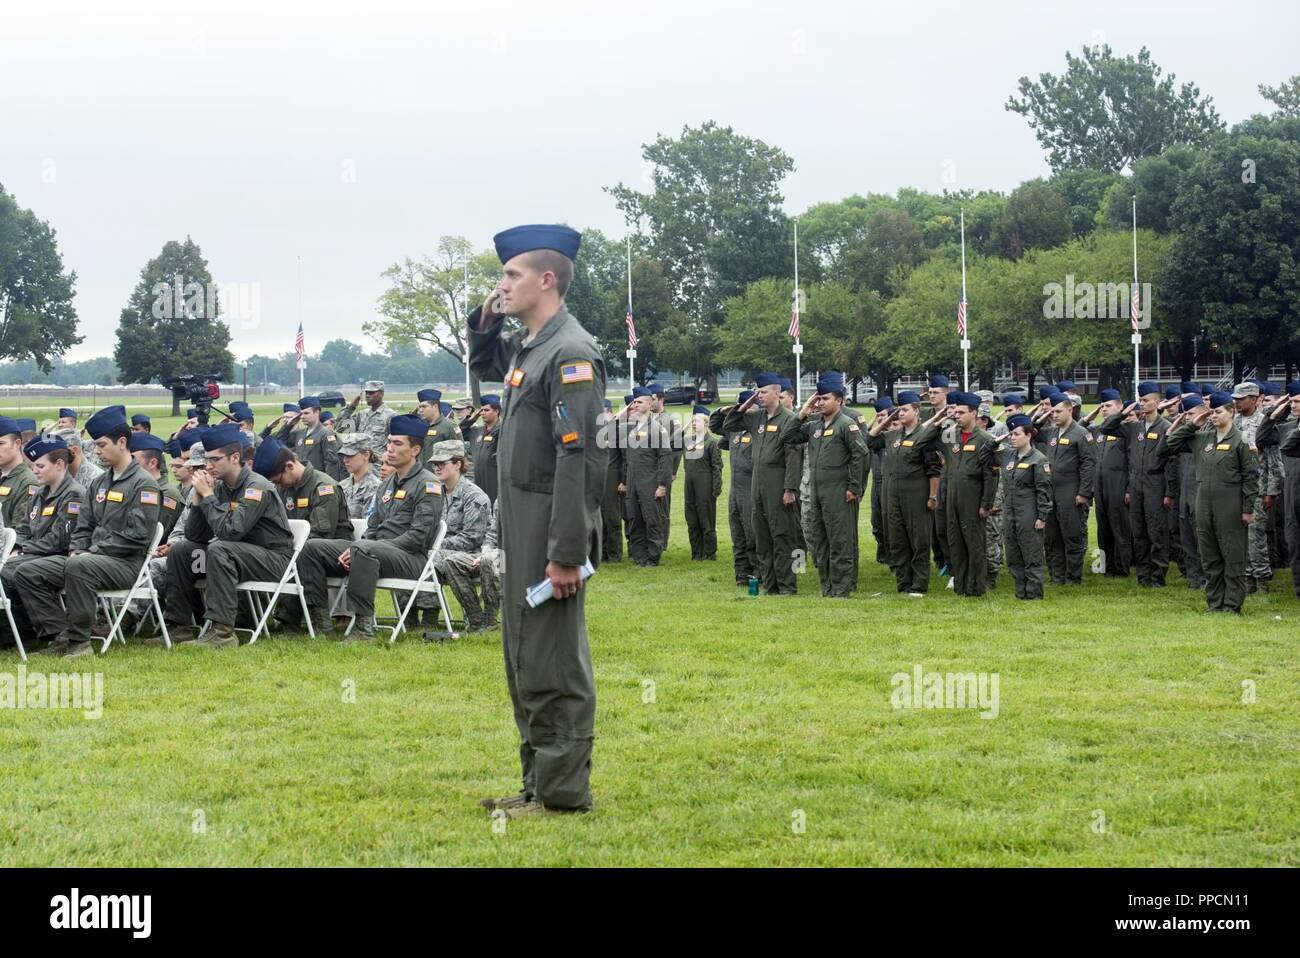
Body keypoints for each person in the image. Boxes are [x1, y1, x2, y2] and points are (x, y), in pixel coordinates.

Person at [468, 223, 604, 820]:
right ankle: (538, 784)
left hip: (550, 520)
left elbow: (580, 457)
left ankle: (564, 795)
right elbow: (485, 358)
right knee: (523, 650)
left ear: (546, 280)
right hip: (522, 516)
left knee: (552, 657)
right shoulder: (534, 345)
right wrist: (486, 317)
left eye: (511, 275)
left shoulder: (571, 352)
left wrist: (567, 551)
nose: (501, 285)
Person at [14, 406, 161, 657]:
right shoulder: (99, 483)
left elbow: (137, 536)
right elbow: (84, 526)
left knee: (79, 567)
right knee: (27, 571)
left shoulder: (143, 484)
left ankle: (80, 642)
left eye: (102, 445)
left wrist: (90, 551)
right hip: (91, 558)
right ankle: (60, 635)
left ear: (122, 442)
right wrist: (77, 550)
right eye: (95, 445)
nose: (96, 451)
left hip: (126, 564)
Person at [161, 423, 294, 648]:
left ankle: (223, 633)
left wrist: (209, 496)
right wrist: (198, 499)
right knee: (183, 551)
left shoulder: (256, 486)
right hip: (237, 556)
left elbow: (230, 533)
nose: (208, 465)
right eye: (207, 460)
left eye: (215, 459)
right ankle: (180, 626)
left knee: (220, 549)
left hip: (272, 560)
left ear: (234, 457)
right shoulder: (221, 486)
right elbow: (195, 536)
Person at [1161, 393, 1259, 613]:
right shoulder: (1203, 439)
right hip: (1204, 503)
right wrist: (1193, 425)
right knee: (1210, 556)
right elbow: (1168, 445)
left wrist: (1248, 509)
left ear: (1231, 412)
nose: (1213, 416)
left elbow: (1251, 477)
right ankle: (1214, 603)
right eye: (1211, 412)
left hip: (1230, 504)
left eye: (1218, 411)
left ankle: (1232, 605)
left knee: (1232, 556)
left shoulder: (1242, 440)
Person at [0, 435, 84, 650]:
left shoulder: (73, 494)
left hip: (63, 557)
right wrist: (16, 546)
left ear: (59, 464)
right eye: (33, 466)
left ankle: (53, 632)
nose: (35, 471)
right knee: (6, 568)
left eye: (39, 466)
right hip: (37, 554)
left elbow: (61, 539)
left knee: (12, 571)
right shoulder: (39, 494)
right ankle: (14, 634)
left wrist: (23, 550)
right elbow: (24, 530)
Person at [722, 373, 803, 595]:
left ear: (777, 393)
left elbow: (793, 456)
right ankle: (770, 585)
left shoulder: (788, 419)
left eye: (764, 392)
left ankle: (787, 586)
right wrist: (745, 404)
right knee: (762, 537)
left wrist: (790, 489)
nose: (760, 396)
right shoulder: (757, 417)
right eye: (758, 392)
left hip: (777, 483)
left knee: (782, 537)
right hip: (756, 484)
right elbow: (730, 424)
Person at [866, 391, 944, 595]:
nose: (900, 413)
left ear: (916, 411)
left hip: (916, 496)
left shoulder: (924, 436)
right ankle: (903, 583)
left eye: (905, 410)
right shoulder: (893, 435)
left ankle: (918, 584)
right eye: (899, 410)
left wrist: (933, 496)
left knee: (918, 540)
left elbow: (933, 469)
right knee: (898, 541)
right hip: (893, 496)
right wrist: (886, 421)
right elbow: (870, 439)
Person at [796, 373, 866, 597]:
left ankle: (842, 589)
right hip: (817, 492)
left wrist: (854, 487)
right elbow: (789, 436)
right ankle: (827, 588)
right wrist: (803, 412)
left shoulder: (847, 425)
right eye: (818, 399)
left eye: (825, 398)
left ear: (840, 400)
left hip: (838, 491)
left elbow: (861, 454)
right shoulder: (815, 425)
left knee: (840, 542)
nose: (820, 402)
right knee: (821, 541)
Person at [1099, 381, 1173, 587]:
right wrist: (1123, 414)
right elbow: (1106, 428)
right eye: (1140, 400)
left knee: (1156, 531)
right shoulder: (1135, 427)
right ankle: (1143, 574)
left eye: (1146, 400)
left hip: (1156, 482)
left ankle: (1158, 576)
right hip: (1136, 483)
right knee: (1139, 532)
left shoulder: (1165, 427)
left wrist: (1169, 492)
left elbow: (1171, 463)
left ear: (1157, 402)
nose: (1142, 403)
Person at [937, 391, 999, 596]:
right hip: (952, 497)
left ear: (974, 413)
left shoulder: (984, 439)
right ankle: (961, 586)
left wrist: (986, 504)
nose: (957, 416)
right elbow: (924, 442)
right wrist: (943, 419)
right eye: (956, 412)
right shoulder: (951, 436)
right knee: (956, 543)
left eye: (962, 413)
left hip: (973, 499)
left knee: (974, 545)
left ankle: (976, 587)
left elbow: (991, 475)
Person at [425, 440, 492, 630]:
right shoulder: (437, 493)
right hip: (444, 550)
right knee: (414, 555)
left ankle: (475, 618)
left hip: (476, 554)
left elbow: (472, 537)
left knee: (432, 556)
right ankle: (419, 615)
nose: (437, 468)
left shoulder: (473, 495)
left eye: (442, 463)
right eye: (434, 464)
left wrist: (434, 544)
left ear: (458, 464)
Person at [1039, 392, 1096, 585]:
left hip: (1071, 489)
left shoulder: (1080, 433)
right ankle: (1057, 576)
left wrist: (1084, 493)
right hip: (1051, 491)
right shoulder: (1053, 432)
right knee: (1053, 536)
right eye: (1052, 412)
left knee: (1072, 534)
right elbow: (1033, 427)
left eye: (1058, 411)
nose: (1053, 415)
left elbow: (1089, 464)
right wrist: (1043, 413)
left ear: (1070, 410)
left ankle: (1073, 577)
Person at [998, 414, 1053, 599]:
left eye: (1016, 434)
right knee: (1013, 555)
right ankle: (1020, 592)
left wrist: (1042, 517)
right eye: (1010, 434)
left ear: (1029, 435)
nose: (1012, 437)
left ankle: (1034, 593)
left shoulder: (1038, 459)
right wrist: (996, 440)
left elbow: (1044, 490)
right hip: (1010, 512)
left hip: (1028, 513)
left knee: (1031, 554)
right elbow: (984, 454)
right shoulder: (1008, 456)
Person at [1231, 381, 1278, 594]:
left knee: (1256, 537)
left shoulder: (1265, 424)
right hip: (1235, 489)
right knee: (1240, 537)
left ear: (1255, 398)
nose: (1237, 402)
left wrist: (1271, 491)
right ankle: (1246, 577)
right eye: (1236, 399)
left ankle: (1261, 580)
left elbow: (1273, 460)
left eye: (1241, 399)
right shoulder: (1233, 422)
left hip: (1257, 489)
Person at [620, 387, 672, 566]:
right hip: (632, 481)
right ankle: (639, 555)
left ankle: (653, 556)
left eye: (639, 402)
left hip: (649, 482)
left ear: (650, 404)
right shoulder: (630, 427)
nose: (635, 404)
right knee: (634, 519)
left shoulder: (657, 429)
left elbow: (665, 458)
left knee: (651, 519)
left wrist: (662, 485)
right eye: (634, 402)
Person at [710, 390, 758, 585]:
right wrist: (724, 410)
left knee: (752, 533)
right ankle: (741, 576)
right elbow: (714, 425)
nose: (746, 411)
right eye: (743, 407)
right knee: (737, 534)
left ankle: (757, 574)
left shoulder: (759, 429)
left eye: (750, 407)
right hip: (735, 490)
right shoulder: (734, 429)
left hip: (751, 487)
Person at [1087, 388, 1132, 577]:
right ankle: (1106, 565)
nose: (1104, 409)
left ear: (1120, 407)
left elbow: (1132, 461)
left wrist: (1129, 488)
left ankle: (1122, 567)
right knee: (1103, 526)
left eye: (1108, 405)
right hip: (1100, 484)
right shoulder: (1098, 430)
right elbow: (1081, 425)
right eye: (1102, 406)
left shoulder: (1126, 429)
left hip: (1118, 483)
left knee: (1119, 526)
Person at [682, 405, 722, 561]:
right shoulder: (687, 441)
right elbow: (672, 443)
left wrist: (716, 489)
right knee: (692, 519)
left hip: (705, 484)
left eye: (696, 421)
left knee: (706, 520)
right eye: (692, 421)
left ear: (706, 423)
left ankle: (709, 552)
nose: (693, 423)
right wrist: (685, 427)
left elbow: (717, 467)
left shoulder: (711, 443)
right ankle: (696, 552)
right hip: (689, 485)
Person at [272, 396, 344, 482]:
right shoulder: (300, 433)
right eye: (301, 414)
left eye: (306, 413)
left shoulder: (326, 434)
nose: (302, 417)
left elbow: (332, 463)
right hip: (301, 482)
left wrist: (329, 484)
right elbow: (280, 443)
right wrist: (288, 426)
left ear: (317, 412)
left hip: (318, 482)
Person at [128, 432, 184, 539]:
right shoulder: (135, 487)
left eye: (132, 459)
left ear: (152, 463)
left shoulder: (167, 495)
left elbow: (153, 536)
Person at [0, 416, 37, 540]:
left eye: (1, 443)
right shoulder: (4, 475)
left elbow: (19, 531)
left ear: (17, 444)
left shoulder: (28, 483)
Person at [867, 396, 894, 564]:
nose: (881, 418)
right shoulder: (878, 435)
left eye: (884, 415)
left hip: (890, 483)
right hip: (877, 483)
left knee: (890, 521)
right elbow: (865, 437)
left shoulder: (894, 434)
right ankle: (883, 551)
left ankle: (893, 555)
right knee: (876, 521)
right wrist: (875, 421)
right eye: (878, 415)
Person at [336, 380, 395, 457]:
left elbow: (395, 443)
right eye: (366, 392)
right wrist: (350, 408)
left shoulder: (390, 416)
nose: (367, 395)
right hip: (360, 463)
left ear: (381, 393)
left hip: (377, 465)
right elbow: (340, 428)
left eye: (371, 393)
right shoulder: (362, 415)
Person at [599, 399, 624, 562]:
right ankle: (601, 553)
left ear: (609, 412)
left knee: (612, 517)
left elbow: (625, 458)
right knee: (599, 517)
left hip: (613, 477)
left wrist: (624, 480)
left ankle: (614, 554)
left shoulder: (618, 431)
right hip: (597, 478)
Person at [337, 434, 381, 520]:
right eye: (344, 456)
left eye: (350, 455)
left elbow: (367, 523)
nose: (345, 460)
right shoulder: (342, 485)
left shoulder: (375, 487)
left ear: (366, 455)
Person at [471, 394, 501, 505]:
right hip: (479, 478)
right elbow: (461, 431)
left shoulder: (502, 429)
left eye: (486, 410)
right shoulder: (478, 431)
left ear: (497, 411)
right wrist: (471, 419)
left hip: (494, 478)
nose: (482, 413)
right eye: (481, 410)